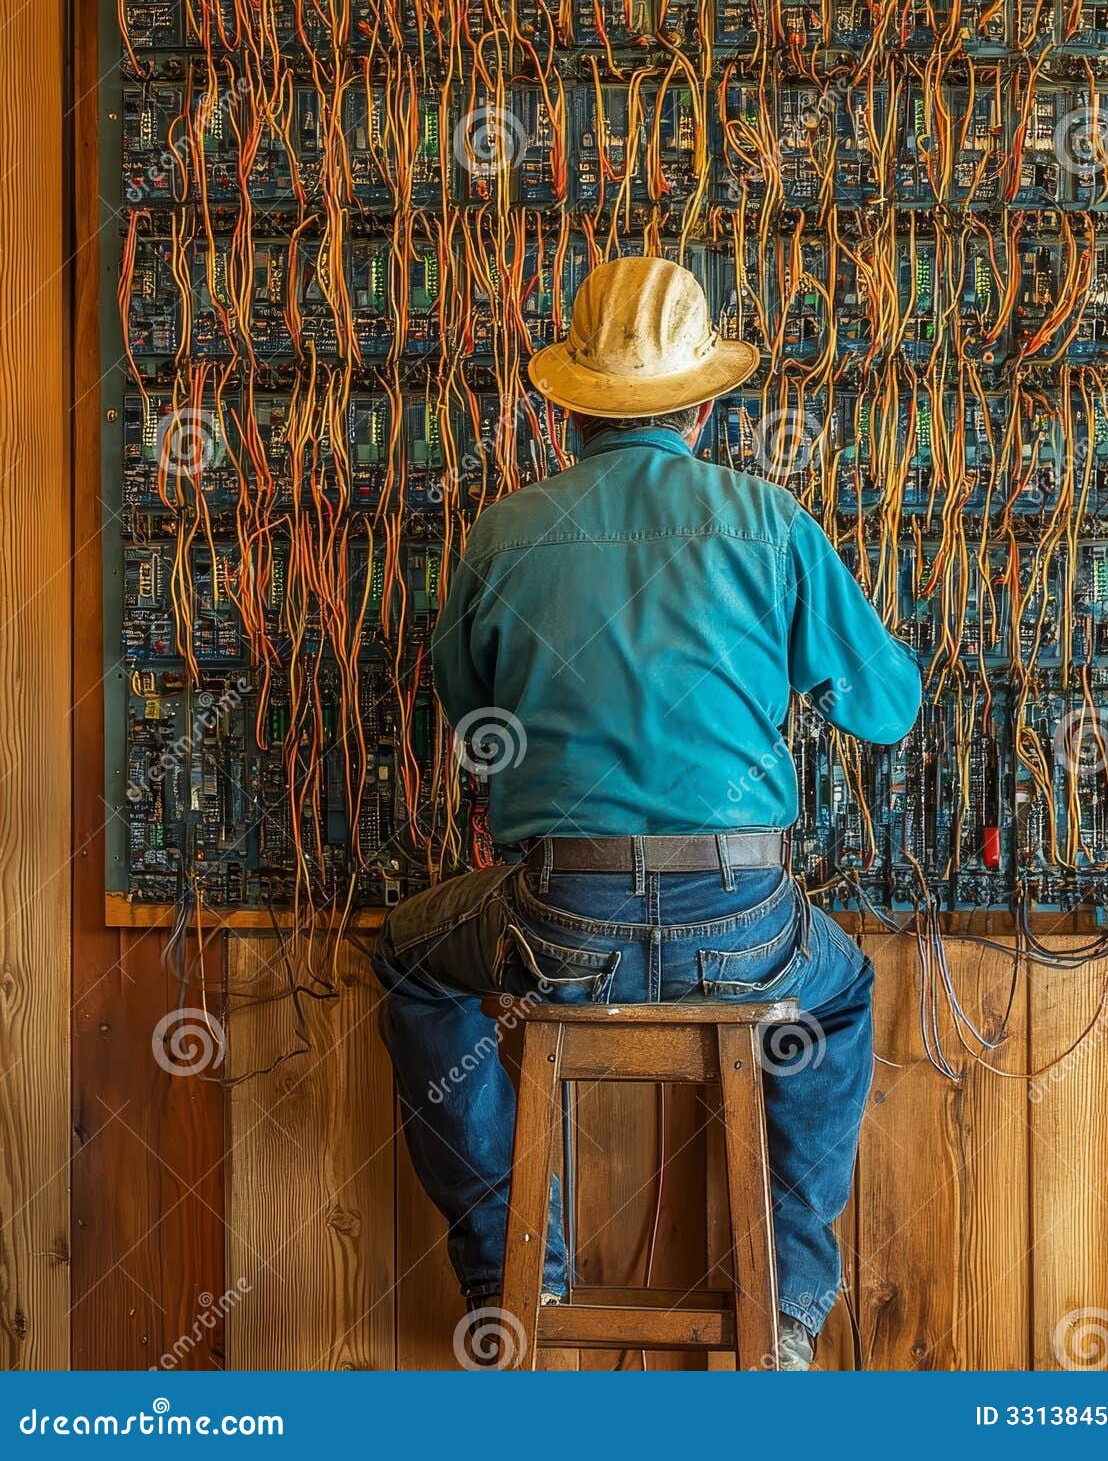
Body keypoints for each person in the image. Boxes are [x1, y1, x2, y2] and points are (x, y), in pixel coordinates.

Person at [374, 256, 921, 1370]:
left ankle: (511, 1276)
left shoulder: (500, 531)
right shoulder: (769, 524)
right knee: (846, 989)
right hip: (748, 928)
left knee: (407, 956)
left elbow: (473, 721)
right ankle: (790, 1311)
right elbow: (888, 708)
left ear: (564, 403)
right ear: (704, 403)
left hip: (554, 925)